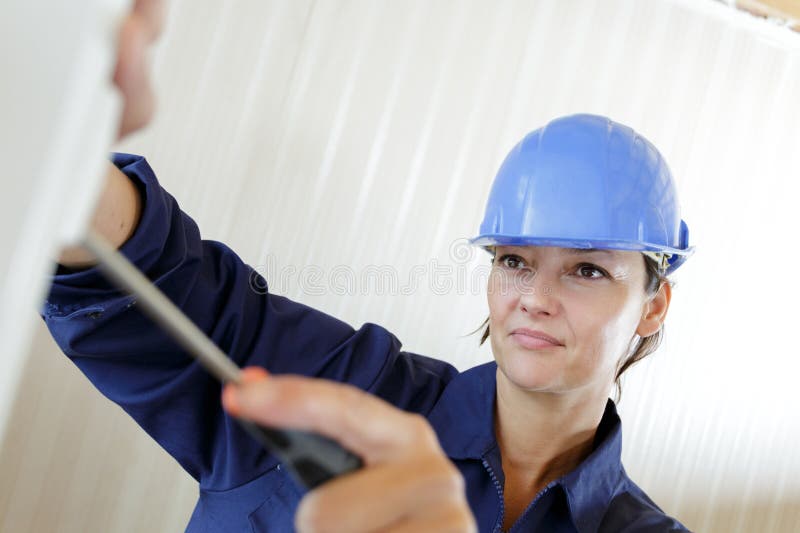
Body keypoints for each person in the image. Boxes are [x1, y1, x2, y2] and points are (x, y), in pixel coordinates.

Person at [46, 2, 693, 532]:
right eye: (516, 260)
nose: (536, 296)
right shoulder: (350, 391)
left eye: (586, 271)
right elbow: (177, 291)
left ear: (653, 303)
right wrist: (54, 134)